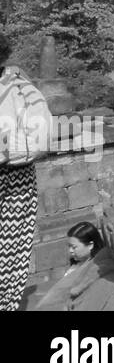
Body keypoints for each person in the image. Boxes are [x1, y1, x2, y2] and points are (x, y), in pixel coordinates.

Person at [0, 32, 52, 311]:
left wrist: (5, 147)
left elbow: (40, 138)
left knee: (8, 260)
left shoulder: (23, 91)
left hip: (13, 181)